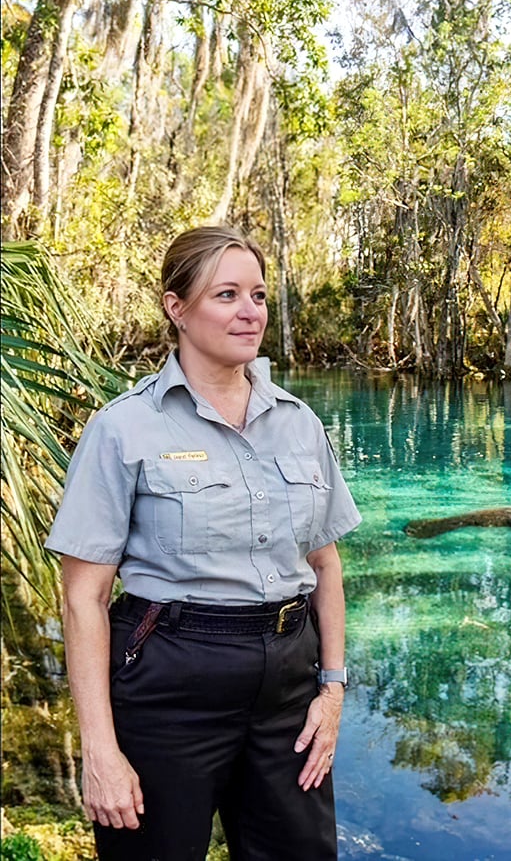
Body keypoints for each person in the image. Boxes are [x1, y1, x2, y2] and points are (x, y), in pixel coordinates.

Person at [46, 226, 362, 861]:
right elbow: (84, 598)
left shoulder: (300, 425)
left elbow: (325, 564)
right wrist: (100, 751)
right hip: (170, 686)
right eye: (226, 295)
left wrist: (332, 692)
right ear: (176, 308)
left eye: (259, 295)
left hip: (287, 691)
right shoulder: (123, 428)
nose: (250, 312)